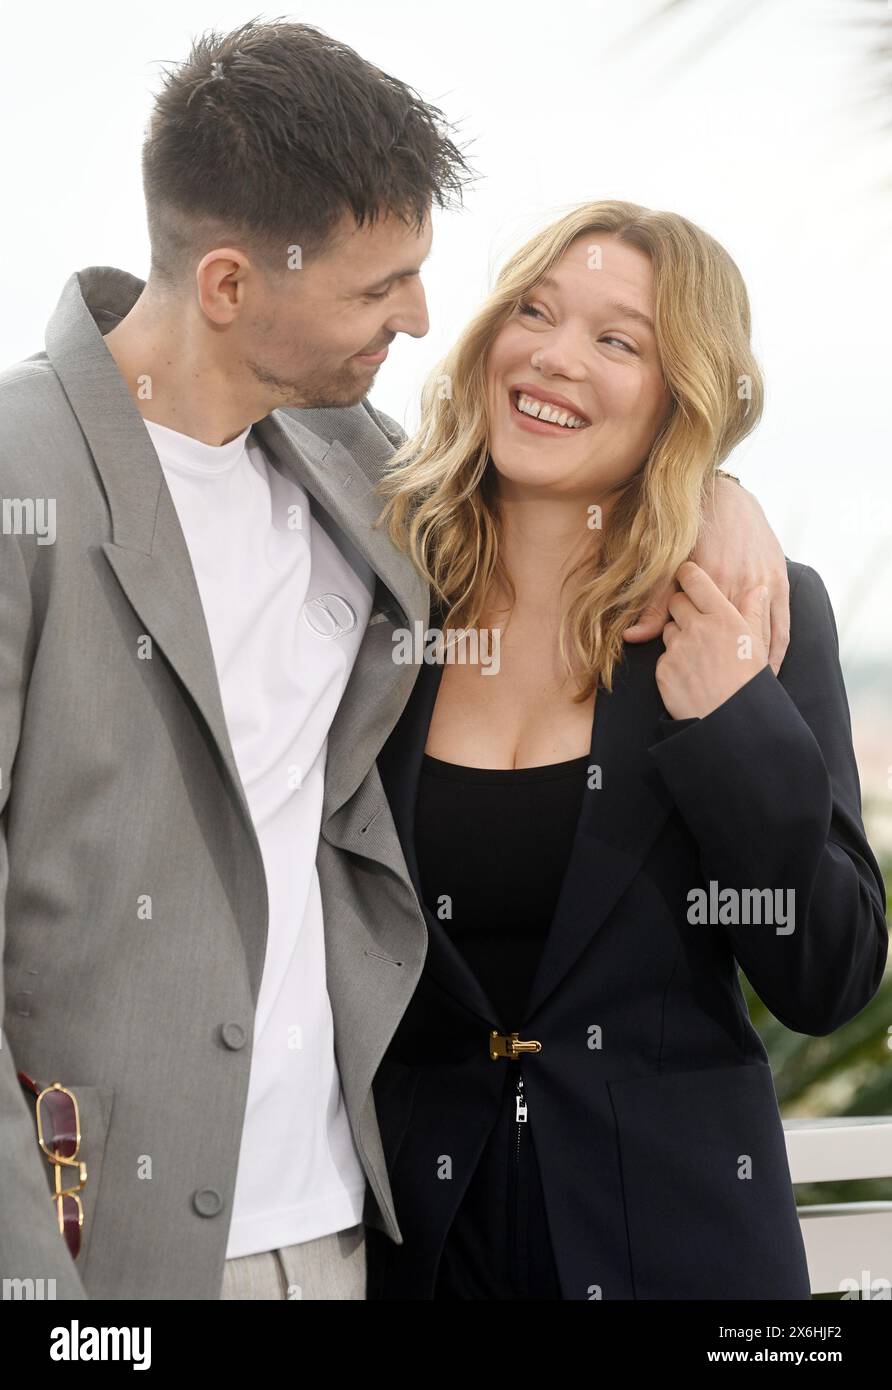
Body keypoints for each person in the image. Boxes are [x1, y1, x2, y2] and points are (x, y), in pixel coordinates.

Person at [0, 23, 793, 1302]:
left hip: (350, 1230)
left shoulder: (353, 470)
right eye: (380, 289)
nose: (422, 319)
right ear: (228, 286)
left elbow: (568, 464)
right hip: (112, 1252)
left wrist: (718, 495)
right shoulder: (19, 479)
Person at [360, 199, 890, 1300]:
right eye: (534, 311)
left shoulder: (753, 611)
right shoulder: (381, 602)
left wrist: (733, 722)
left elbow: (829, 975)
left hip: (681, 1253)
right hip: (419, 1251)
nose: (555, 356)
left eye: (617, 340)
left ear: (677, 397)